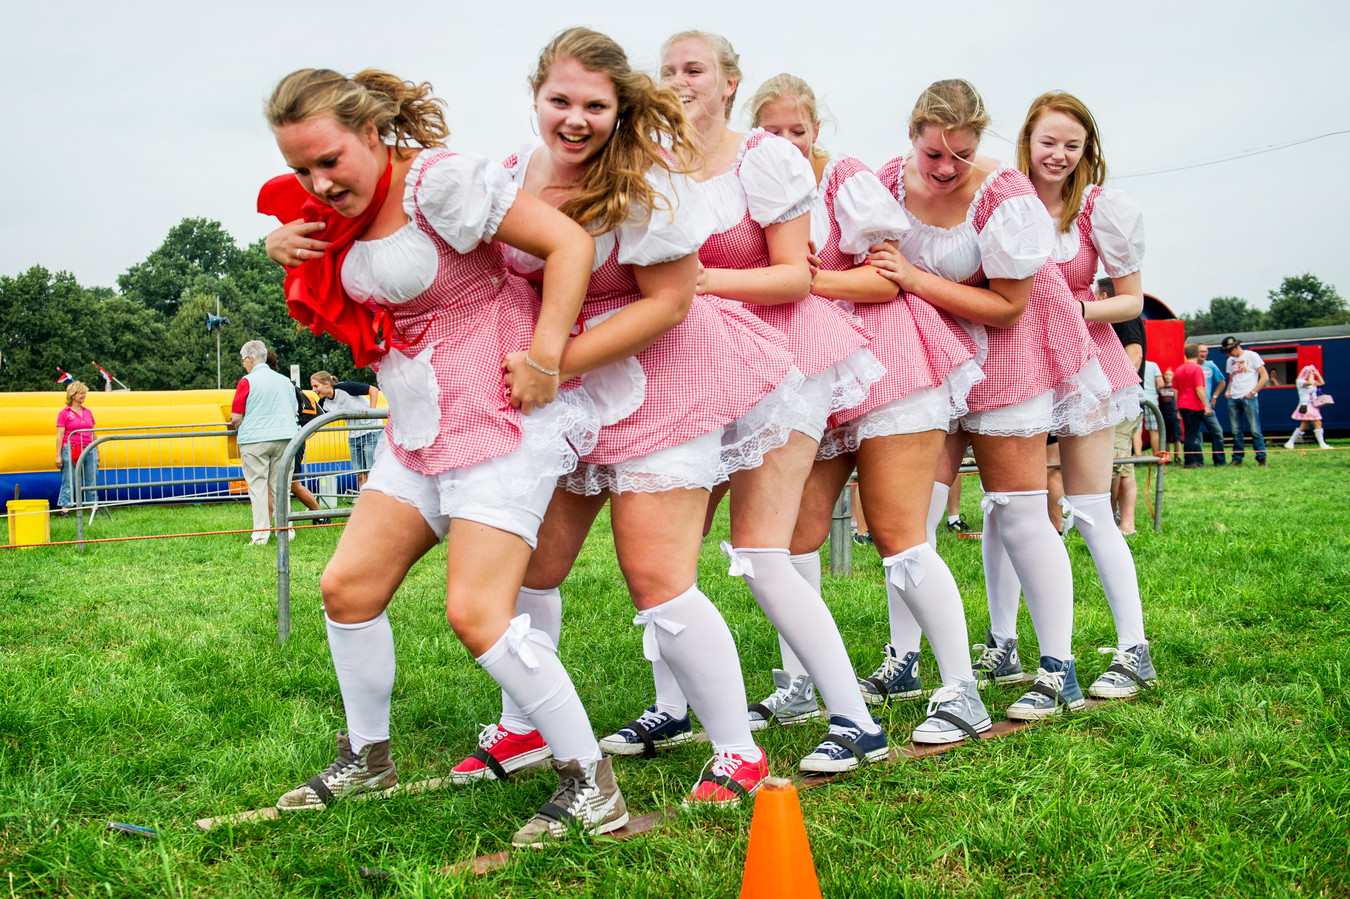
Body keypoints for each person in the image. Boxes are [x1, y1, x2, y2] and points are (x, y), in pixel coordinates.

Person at [258, 67, 624, 846]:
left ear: (371, 134)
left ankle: (590, 781)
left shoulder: (438, 184)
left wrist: (550, 355)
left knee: (478, 612)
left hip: (499, 416)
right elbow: (334, 269)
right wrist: (276, 239)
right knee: (346, 587)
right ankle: (369, 757)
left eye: (329, 160)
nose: (318, 182)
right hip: (418, 426)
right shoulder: (338, 211)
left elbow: (570, 242)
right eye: (300, 170)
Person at [448, 29, 801, 805]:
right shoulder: (511, 173)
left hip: (662, 370)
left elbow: (673, 301)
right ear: (536, 95)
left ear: (619, 106)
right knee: (534, 565)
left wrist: (553, 363)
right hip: (563, 388)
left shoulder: (647, 175)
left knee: (657, 575)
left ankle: (736, 747)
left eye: (594, 105)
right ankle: (528, 722)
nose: (575, 118)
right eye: (561, 101)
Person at [635, 37, 893, 769]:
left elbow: (793, 278)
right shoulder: (651, 163)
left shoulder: (764, 158)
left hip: (783, 360)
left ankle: (853, 716)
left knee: (759, 550)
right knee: (665, 555)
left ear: (728, 84)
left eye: (694, 70)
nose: (679, 82)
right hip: (694, 367)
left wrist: (702, 284)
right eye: (669, 70)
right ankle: (671, 707)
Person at [737, 71, 983, 749]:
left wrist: (807, 279)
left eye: (797, 130)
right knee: (789, 539)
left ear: (816, 129)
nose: (784, 141)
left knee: (900, 534)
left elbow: (884, 275)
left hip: (888, 362)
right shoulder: (752, 182)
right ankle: (799, 685)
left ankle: (960, 689)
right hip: (816, 373)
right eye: (772, 130)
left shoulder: (843, 177)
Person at [865, 79, 1109, 727]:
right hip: (926, 353)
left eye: (961, 155)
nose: (946, 169)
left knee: (1020, 508)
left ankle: (1059, 668)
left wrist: (915, 278)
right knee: (906, 516)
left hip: (1006, 350)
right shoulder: (889, 182)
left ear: (981, 143)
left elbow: (1008, 307)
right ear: (912, 136)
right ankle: (906, 655)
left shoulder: (1005, 195)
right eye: (933, 155)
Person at [997, 91, 1153, 696]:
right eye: (1048, 142)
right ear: (1027, 142)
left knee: (1089, 508)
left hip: (1086, 362)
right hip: (1018, 365)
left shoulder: (1097, 209)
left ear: (1087, 151)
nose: (1058, 155)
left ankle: (1134, 649)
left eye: (1072, 145)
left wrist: (1074, 308)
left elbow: (1132, 301)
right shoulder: (1004, 199)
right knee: (1011, 509)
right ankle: (1004, 644)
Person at [230, 341, 299, 545]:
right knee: (282, 487)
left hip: (255, 440)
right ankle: (286, 531)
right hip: (285, 437)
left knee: (258, 488)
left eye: (243, 361)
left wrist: (238, 427)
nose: (244, 365)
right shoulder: (285, 381)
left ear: (250, 358)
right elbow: (293, 409)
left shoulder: (246, 381)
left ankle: (260, 534)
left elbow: (235, 416)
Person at [268, 350, 324, 519]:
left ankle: (321, 515)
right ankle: (268, 525)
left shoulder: (283, 386)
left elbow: (318, 416)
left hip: (291, 438)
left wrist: (301, 436)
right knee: (278, 484)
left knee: (293, 484)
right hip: (289, 438)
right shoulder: (284, 384)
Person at [309, 371, 381, 489]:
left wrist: (372, 413)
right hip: (353, 436)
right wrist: (301, 438)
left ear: (327, 384)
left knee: (372, 472)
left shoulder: (346, 388)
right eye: (312, 387)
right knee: (360, 474)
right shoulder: (323, 403)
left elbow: (373, 390)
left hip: (370, 431)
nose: (313, 390)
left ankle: (376, 503)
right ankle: (362, 502)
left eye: (316, 386)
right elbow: (315, 424)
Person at [1220, 336, 1269, 466]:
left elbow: (1264, 376)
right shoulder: (1230, 360)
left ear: (1237, 346)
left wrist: (1253, 392)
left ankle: (1261, 457)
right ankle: (1237, 458)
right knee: (1236, 431)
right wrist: (1228, 391)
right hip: (1234, 397)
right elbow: (1232, 378)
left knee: (1255, 429)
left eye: (1231, 350)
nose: (1230, 354)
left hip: (1248, 397)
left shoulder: (1252, 356)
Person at [55, 381, 98, 514]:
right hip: (70, 448)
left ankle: (93, 507)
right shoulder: (64, 413)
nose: (84, 395)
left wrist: (97, 449)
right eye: (81, 393)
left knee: (92, 478)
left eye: (85, 393)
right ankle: (65, 508)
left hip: (89, 448)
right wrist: (58, 455)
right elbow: (60, 435)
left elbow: (93, 432)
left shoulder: (88, 412)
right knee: (69, 478)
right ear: (73, 395)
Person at [1175, 344, 1209, 468]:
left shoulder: (1179, 369)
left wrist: (1178, 407)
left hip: (1183, 405)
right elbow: (1199, 388)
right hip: (1194, 405)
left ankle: (1196, 460)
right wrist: (1206, 405)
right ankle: (1189, 461)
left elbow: (1175, 390)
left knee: (1190, 432)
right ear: (1197, 354)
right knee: (1192, 434)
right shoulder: (1197, 369)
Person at [1195, 343, 1228, 465]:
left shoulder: (1211, 366)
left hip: (1207, 406)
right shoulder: (1191, 366)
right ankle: (1198, 461)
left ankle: (1219, 461)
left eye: (1205, 351)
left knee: (1217, 432)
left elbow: (1222, 382)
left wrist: (1215, 396)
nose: (1203, 354)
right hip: (1194, 407)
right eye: (1200, 351)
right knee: (1196, 435)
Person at [1285, 363, 1331, 449]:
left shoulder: (1311, 381)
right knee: (1318, 423)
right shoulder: (1300, 382)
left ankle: (1290, 442)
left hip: (1312, 405)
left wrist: (1316, 373)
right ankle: (1322, 444)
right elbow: (1309, 382)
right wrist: (1311, 374)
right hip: (1306, 405)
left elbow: (1321, 382)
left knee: (1304, 426)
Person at [1139, 356, 1163, 457]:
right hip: (1152, 399)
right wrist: (1156, 391)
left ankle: (1137, 457)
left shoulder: (1134, 363)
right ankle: (1156, 455)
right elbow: (1161, 383)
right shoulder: (1153, 365)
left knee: (1137, 429)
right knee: (1154, 430)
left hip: (1137, 398)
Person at [1157, 368, 1183, 459]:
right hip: (1164, 414)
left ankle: (1178, 457)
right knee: (1166, 437)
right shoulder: (1160, 389)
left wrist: (1179, 412)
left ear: (1173, 377)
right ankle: (1167, 457)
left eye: (1170, 375)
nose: (1168, 377)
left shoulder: (1175, 388)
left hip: (1174, 414)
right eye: (1166, 374)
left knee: (1177, 437)